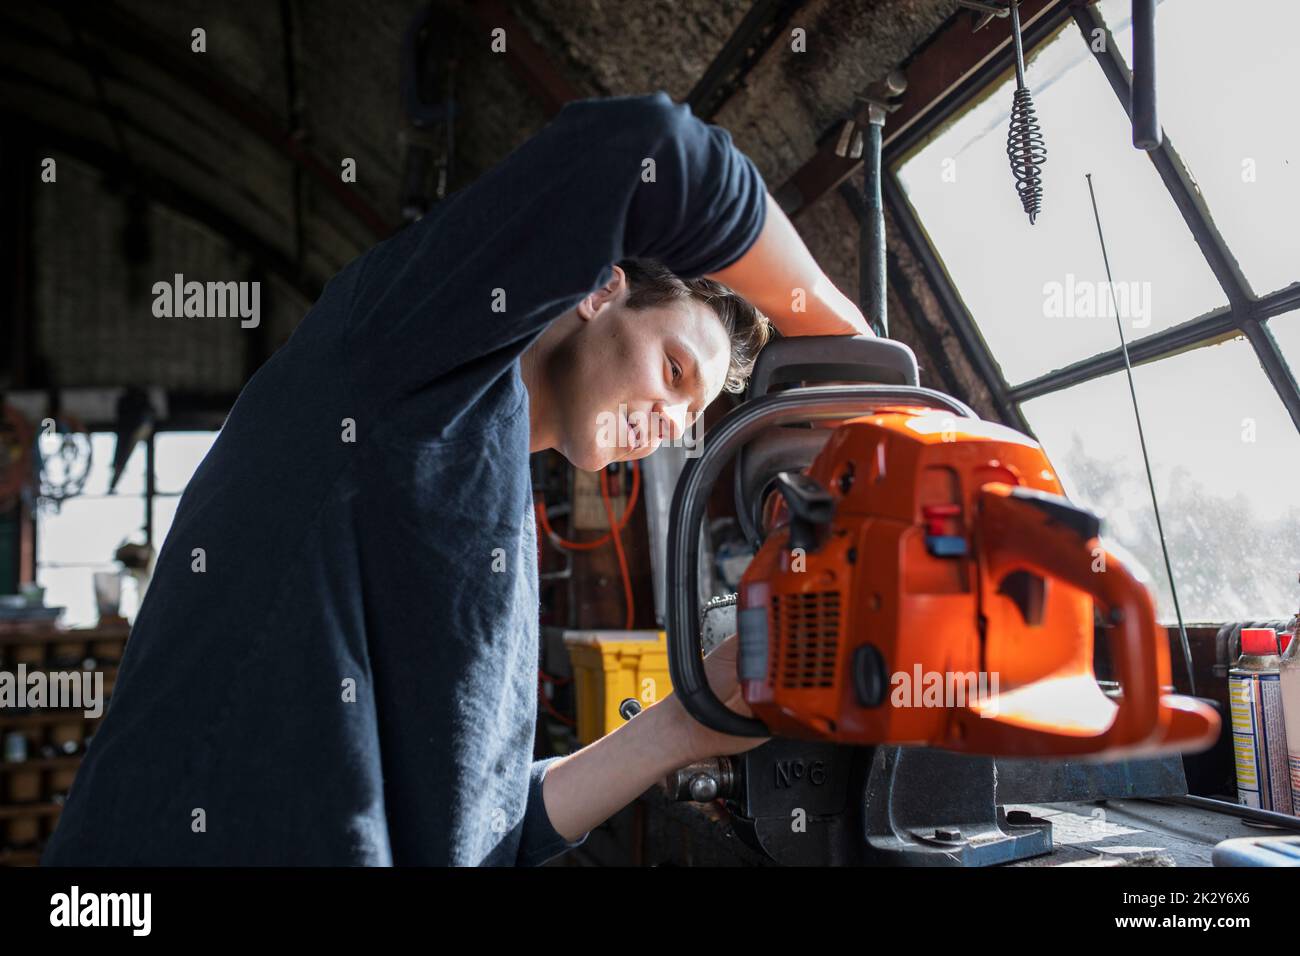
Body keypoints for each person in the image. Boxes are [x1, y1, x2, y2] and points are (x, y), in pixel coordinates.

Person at [42, 91, 869, 867]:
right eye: (674, 367)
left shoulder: (500, 518)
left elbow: (486, 830)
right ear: (598, 290)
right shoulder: (410, 359)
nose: (670, 423)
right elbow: (650, 151)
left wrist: (690, 722)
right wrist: (836, 328)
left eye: (691, 420)